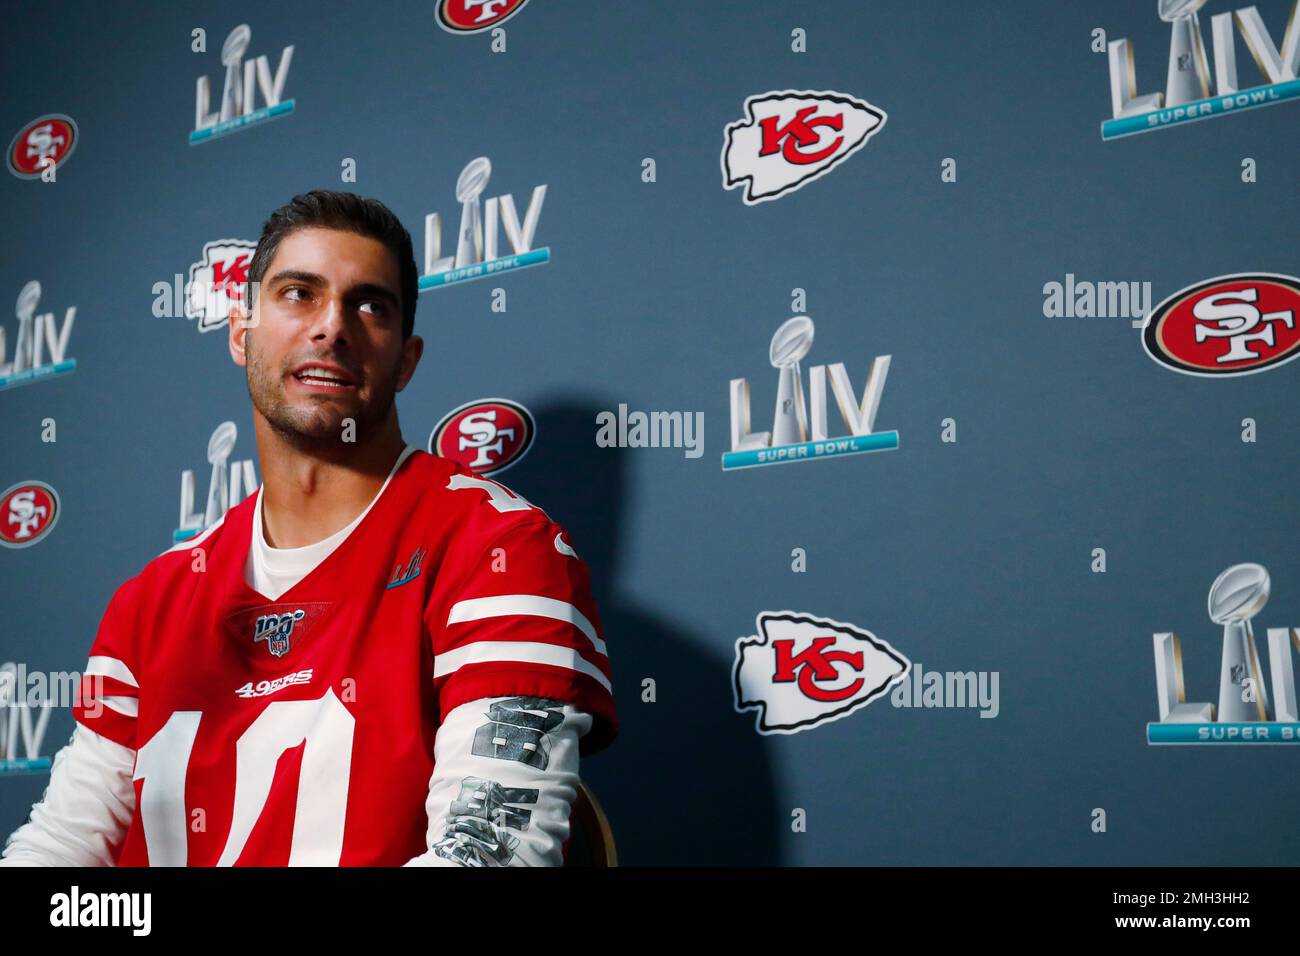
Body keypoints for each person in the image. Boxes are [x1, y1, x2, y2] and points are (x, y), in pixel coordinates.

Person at [0, 191, 616, 866]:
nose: (333, 327)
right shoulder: (153, 599)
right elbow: (63, 845)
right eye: (299, 294)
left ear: (406, 360)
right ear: (241, 332)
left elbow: (489, 856)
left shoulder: (498, 548)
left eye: (370, 305)